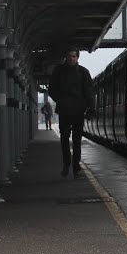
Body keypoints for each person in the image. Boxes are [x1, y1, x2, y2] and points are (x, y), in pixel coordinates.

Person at [48, 49, 93, 178]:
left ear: (77, 57)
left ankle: (76, 166)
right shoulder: (59, 71)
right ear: (66, 57)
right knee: (64, 138)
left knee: (77, 140)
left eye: (73, 56)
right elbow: (52, 89)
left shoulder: (83, 72)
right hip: (64, 109)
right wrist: (61, 100)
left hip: (78, 110)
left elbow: (89, 91)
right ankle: (67, 163)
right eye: (69, 56)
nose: (71, 58)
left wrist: (90, 108)